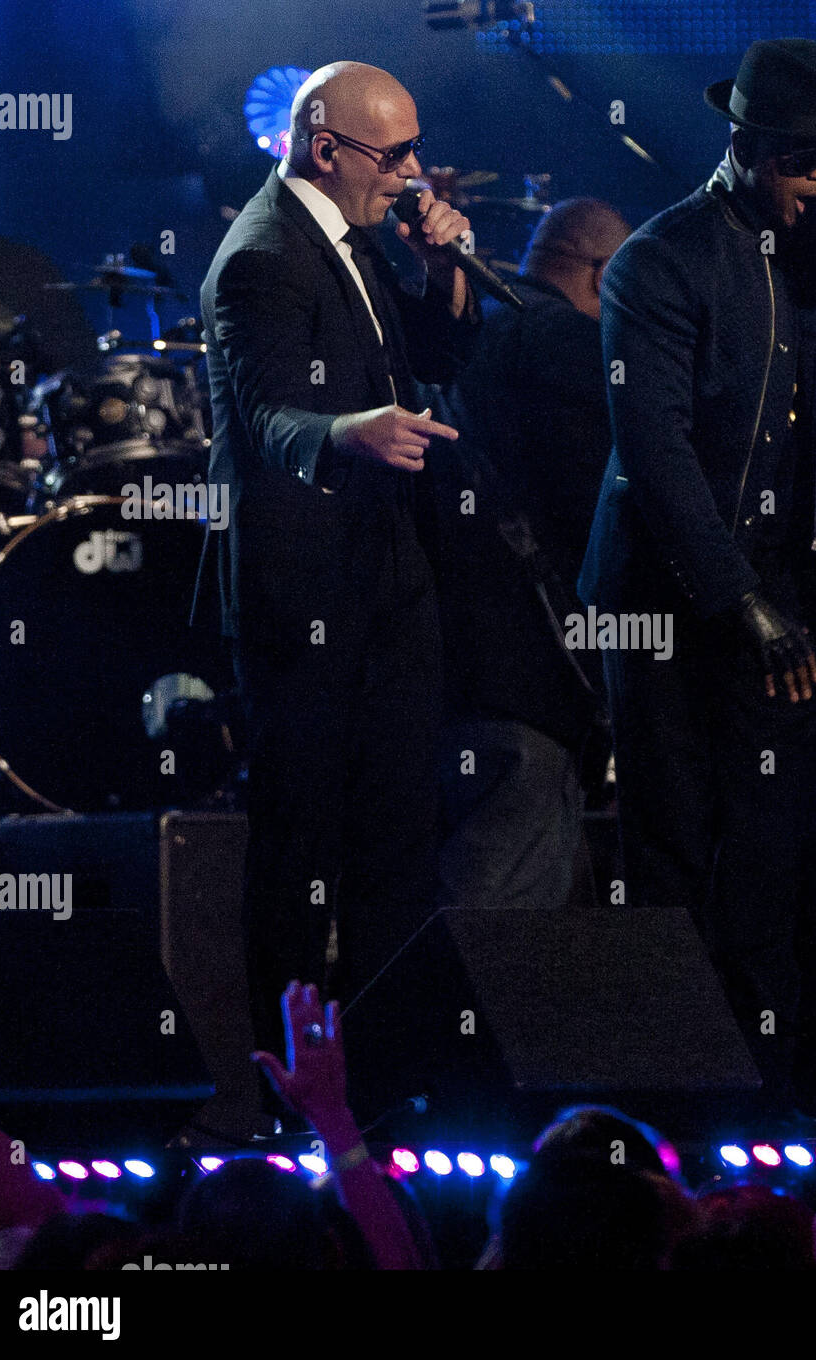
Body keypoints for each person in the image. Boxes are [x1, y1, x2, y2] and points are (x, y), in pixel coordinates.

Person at [578, 38, 816, 1097]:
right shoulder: (661, 259)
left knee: (768, 859)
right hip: (667, 598)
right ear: (742, 147)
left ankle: (759, 1095)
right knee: (671, 853)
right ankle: (659, 1100)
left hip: (781, 598)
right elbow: (654, 452)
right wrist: (738, 602)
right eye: (799, 162)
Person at [195, 61, 481, 1109]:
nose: (412, 175)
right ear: (327, 149)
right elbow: (271, 419)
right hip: (303, 593)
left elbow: (444, 350)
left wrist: (443, 263)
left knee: (398, 836)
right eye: (395, 155)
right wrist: (346, 434)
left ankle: (387, 1082)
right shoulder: (264, 258)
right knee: (300, 843)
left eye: (415, 152)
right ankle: (286, 1098)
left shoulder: (353, 237)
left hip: (385, 584)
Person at [428, 198, 630, 911]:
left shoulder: (467, 332)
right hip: (528, 687)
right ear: (606, 277)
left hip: (438, 675)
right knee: (498, 947)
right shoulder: (573, 347)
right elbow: (608, 519)